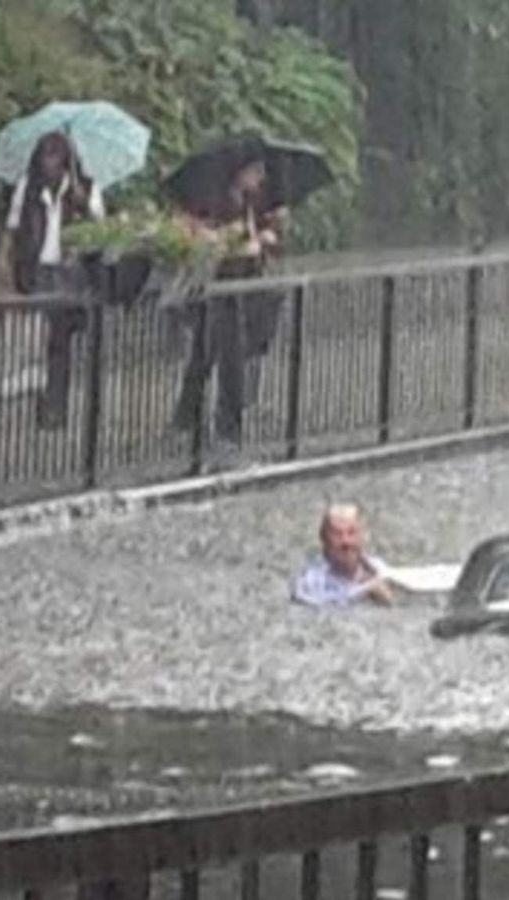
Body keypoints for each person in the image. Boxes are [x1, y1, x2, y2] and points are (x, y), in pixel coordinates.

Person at [172, 156, 288, 463]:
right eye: (255, 171)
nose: (259, 178)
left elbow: (270, 241)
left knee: (205, 355)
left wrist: (268, 236)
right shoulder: (216, 202)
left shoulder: (255, 202)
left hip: (244, 287)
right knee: (224, 358)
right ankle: (224, 430)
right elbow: (203, 241)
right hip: (218, 291)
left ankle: (188, 416)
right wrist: (236, 247)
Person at [0, 132, 105, 430]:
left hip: (70, 271)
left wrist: (86, 208)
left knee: (60, 341)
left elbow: (101, 232)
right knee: (37, 337)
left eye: (57, 158)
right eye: (46, 157)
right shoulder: (28, 188)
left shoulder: (87, 188)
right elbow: (12, 226)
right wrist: (6, 263)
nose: (50, 165)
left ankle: (54, 406)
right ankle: (40, 396)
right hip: (38, 269)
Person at [290, 505, 395, 608]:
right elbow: (313, 602)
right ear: (324, 539)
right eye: (337, 534)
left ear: (362, 536)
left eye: (351, 533)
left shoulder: (378, 568)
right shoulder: (310, 580)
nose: (346, 541)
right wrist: (364, 591)